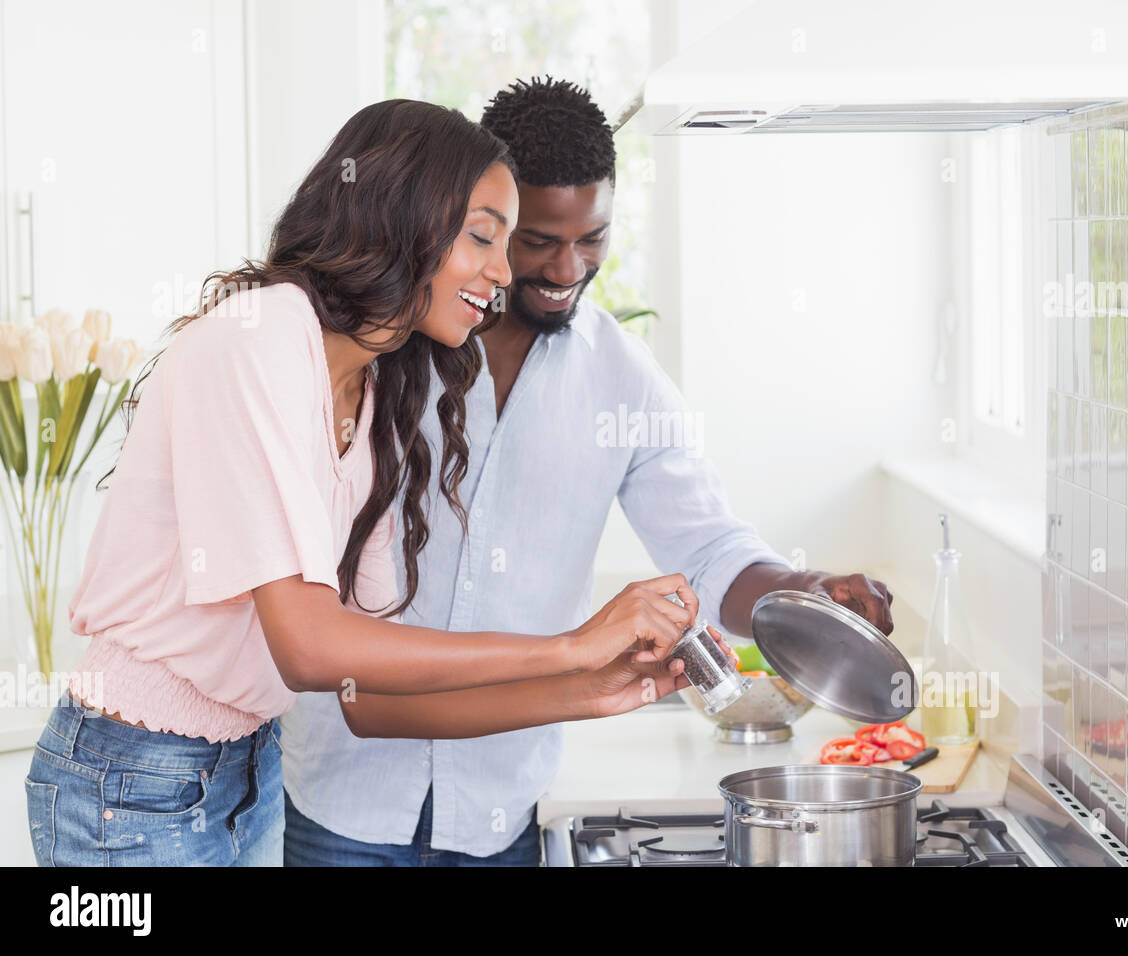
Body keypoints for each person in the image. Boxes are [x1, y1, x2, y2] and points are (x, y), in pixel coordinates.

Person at [23, 99, 706, 868]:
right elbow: (310, 649)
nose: (504, 271)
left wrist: (594, 687)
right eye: (483, 236)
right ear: (400, 214)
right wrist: (569, 647)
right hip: (132, 780)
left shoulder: (380, 394)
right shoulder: (262, 338)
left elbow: (366, 697)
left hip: (247, 772)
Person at [279, 78, 896, 868]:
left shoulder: (622, 379)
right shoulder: (385, 346)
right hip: (341, 797)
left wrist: (802, 594)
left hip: (499, 811)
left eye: (593, 237)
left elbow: (709, 549)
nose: (568, 267)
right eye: (536, 240)